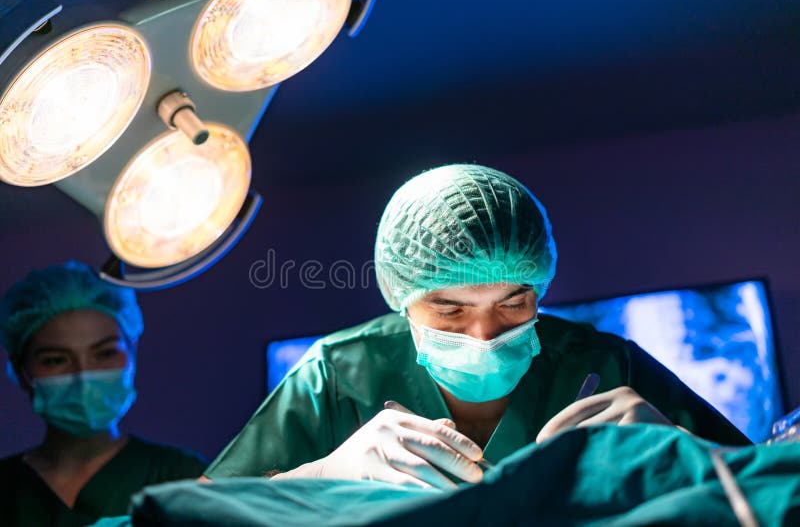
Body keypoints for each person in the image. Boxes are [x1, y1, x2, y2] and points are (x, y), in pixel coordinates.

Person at [204, 164, 750, 489]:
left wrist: (687, 451)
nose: (485, 336)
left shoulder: (605, 365)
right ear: (402, 296)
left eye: (514, 303)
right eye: (450, 310)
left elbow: (771, 485)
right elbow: (197, 513)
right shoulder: (337, 374)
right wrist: (319, 477)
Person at [0, 261, 206, 526]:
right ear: (21, 372)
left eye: (105, 353)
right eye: (55, 360)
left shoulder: (181, 477)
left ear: (132, 355)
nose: (83, 375)